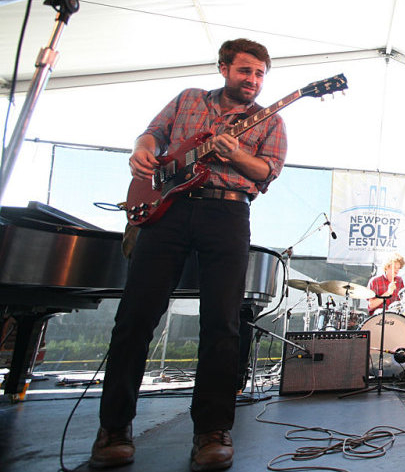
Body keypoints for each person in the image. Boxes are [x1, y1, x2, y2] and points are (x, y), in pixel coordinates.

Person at [90, 39, 287, 471]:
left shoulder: (269, 120)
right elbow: (153, 135)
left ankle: (213, 432)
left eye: (259, 74)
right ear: (224, 68)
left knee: (222, 322)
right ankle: (113, 429)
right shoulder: (187, 100)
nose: (252, 80)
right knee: (135, 318)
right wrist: (140, 150)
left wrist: (237, 154)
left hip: (228, 211)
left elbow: (267, 171)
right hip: (168, 211)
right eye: (245, 71)